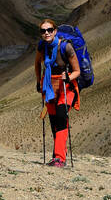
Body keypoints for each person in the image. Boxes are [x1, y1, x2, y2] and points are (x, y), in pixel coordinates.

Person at [34, 20, 80, 167]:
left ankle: (59, 158)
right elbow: (37, 64)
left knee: (61, 118)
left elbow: (77, 71)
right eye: (43, 31)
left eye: (49, 30)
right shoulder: (42, 47)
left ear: (55, 31)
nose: (46, 33)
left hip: (66, 87)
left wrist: (68, 77)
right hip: (49, 86)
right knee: (54, 122)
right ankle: (58, 155)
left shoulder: (66, 47)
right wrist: (38, 81)